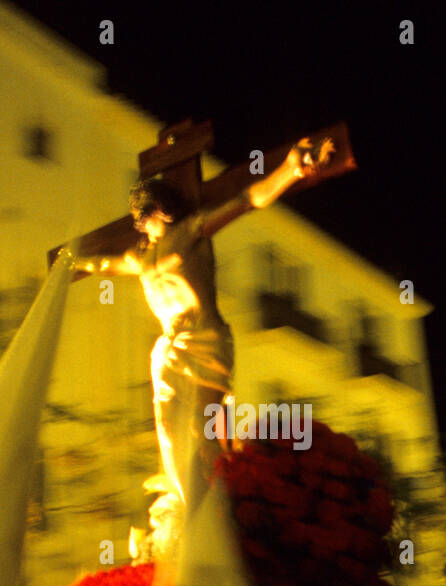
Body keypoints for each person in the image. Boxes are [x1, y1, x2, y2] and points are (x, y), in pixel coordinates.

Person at [75, 137, 336, 512]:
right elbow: (102, 264)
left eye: (144, 212)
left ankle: (222, 506)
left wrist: (291, 168)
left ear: (162, 209)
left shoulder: (192, 230)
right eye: (137, 215)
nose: (139, 221)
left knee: (204, 430)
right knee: (166, 429)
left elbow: (245, 200)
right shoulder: (140, 257)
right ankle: (188, 508)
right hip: (168, 346)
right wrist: (71, 262)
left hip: (205, 337)